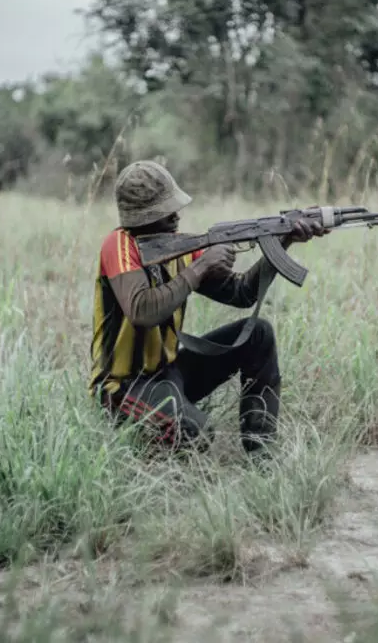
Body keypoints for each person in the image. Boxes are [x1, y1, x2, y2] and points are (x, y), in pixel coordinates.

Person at [89, 160, 326, 456]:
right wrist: (201, 266)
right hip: (122, 388)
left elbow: (241, 293)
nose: (176, 216)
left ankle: (262, 456)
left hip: (169, 373)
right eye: (166, 212)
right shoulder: (119, 246)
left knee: (259, 335)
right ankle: (139, 448)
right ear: (144, 218)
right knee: (194, 432)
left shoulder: (178, 248)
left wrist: (284, 240)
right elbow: (142, 311)